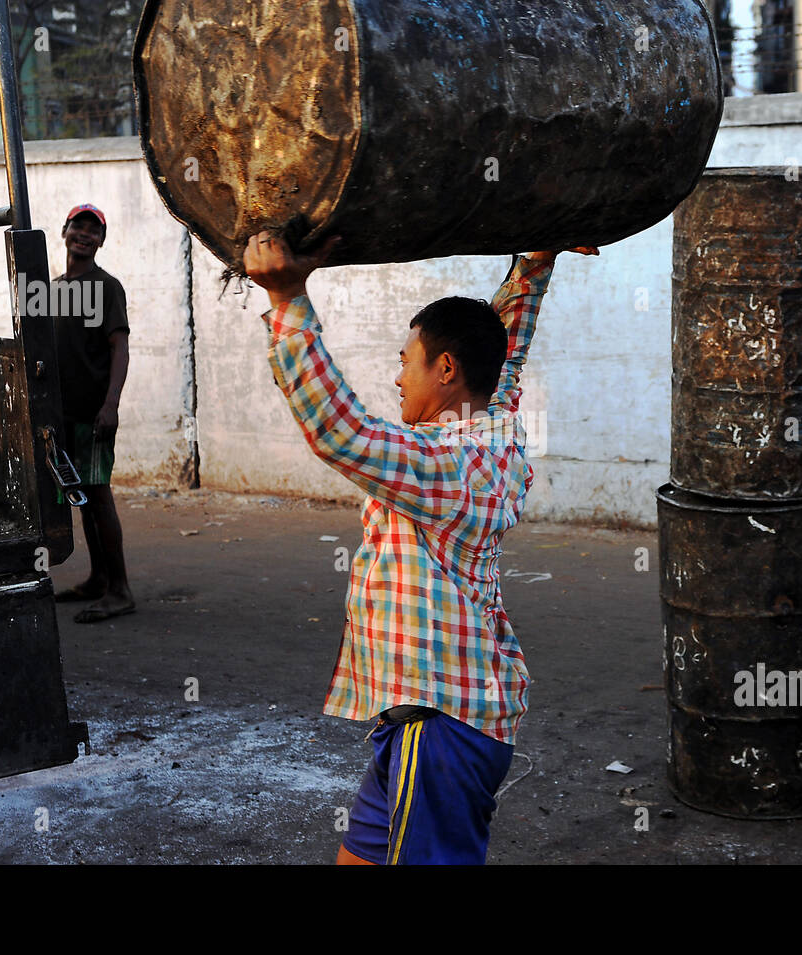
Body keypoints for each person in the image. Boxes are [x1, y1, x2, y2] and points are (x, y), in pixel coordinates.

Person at [243, 231, 596, 865]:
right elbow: (503, 349)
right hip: (423, 723)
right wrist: (535, 264)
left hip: (441, 733)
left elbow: (340, 431)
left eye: (406, 359)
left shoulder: (447, 464)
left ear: (447, 370)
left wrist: (288, 297)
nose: (397, 375)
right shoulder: (491, 423)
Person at [52, 203, 135, 624]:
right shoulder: (51, 289)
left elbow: (119, 348)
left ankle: (120, 590)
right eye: (78, 227)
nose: (85, 234)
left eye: (93, 230)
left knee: (99, 497)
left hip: (94, 415)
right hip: (64, 416)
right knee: (83, 499)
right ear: (64, 231)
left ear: (102, 241)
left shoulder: (107, 288)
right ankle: (98, 579)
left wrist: (110, 405)